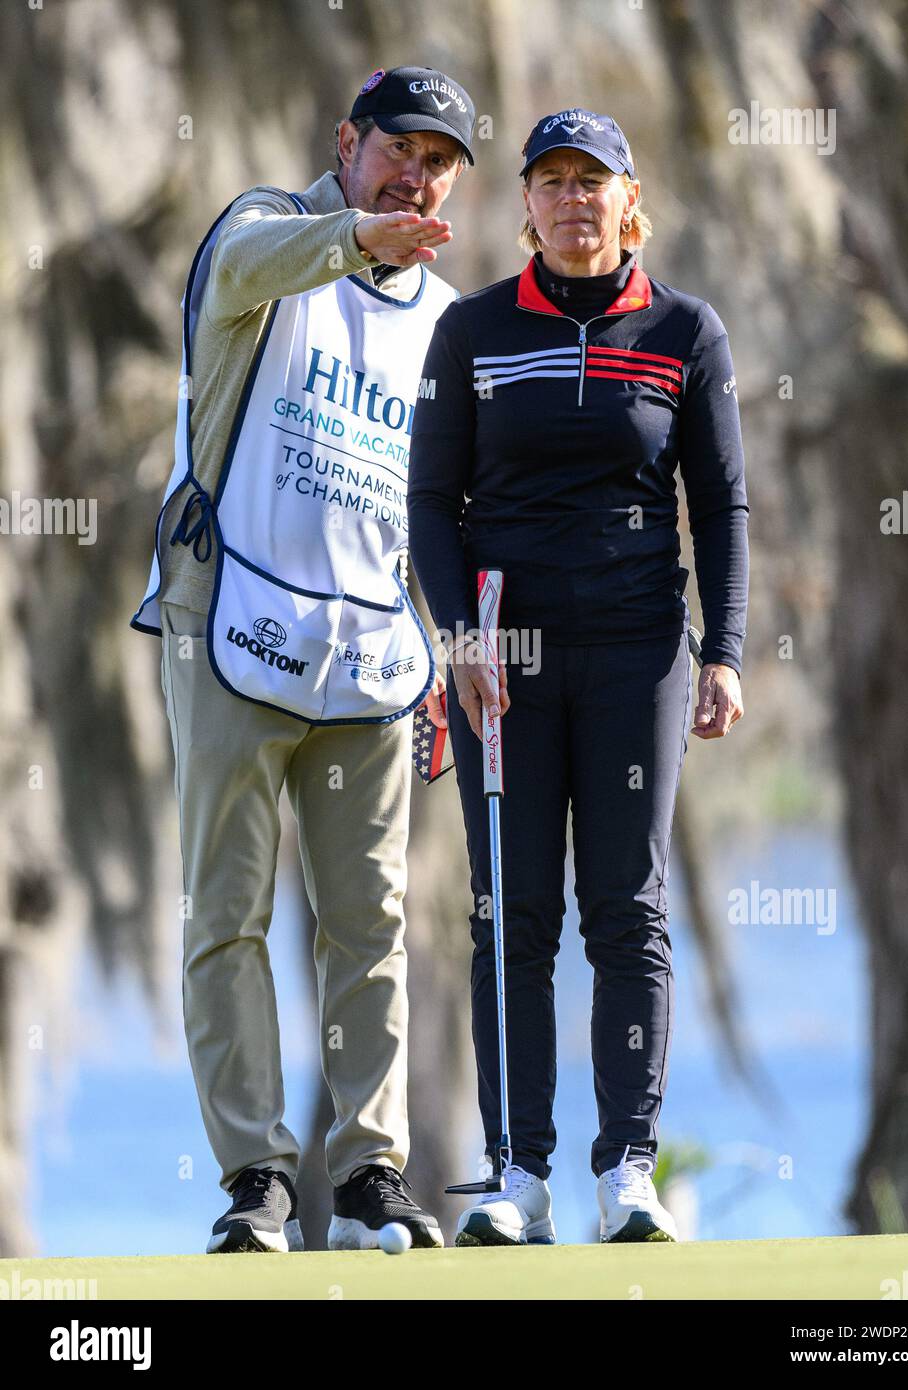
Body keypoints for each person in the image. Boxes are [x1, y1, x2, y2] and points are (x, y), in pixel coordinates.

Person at [131, 65, 477, 1252]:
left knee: (368, 923)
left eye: (438, 164)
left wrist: (443, 651)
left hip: (371, 663)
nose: (414, 176)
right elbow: (249, 272)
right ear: (348, 144)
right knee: (224, 915)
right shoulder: (262, 232)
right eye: (399, 149)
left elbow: (437, 508)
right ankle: (256, 1182)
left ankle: (373, 1173)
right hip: (229, 628)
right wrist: (356, 235)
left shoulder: (446, 320)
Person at [408, 108, 748, 1245]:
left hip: (638, 651)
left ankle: (628, 1170)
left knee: (628, 912)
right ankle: (518, 1173)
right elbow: (429, 503)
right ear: (527, 206)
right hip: (502, 660)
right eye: (549, 181)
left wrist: (727, 650)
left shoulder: (686, 331)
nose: (570, 198)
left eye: (589, 180)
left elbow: (722, 505)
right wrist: (455, 635)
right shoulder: (472, 331)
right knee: (514, 917)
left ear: (626, 197)